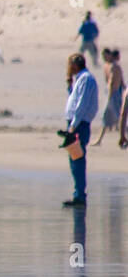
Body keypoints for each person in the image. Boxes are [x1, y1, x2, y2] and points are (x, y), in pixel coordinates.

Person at [62, 53, 98, 208]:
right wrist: (70, 85)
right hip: (76, 123)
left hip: (79, 124)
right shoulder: (80, 79)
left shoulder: (86, 79)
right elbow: (75, 99)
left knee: (77, 159)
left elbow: (82, 105)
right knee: (74, 158)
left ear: (75, 65)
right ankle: (78, 194)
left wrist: (73, 125)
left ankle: (80, 196)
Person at [93, 48, 122, 147]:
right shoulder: (107, 66)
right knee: (107, 118)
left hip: (114, 94)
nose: (104, 58)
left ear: (110, 55)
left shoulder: (114, 67)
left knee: (119, 117)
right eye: (103, 56)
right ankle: (99, 140)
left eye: (105, 55)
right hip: (111, 93)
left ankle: (122, 138)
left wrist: (109, 97)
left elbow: (112, 82)